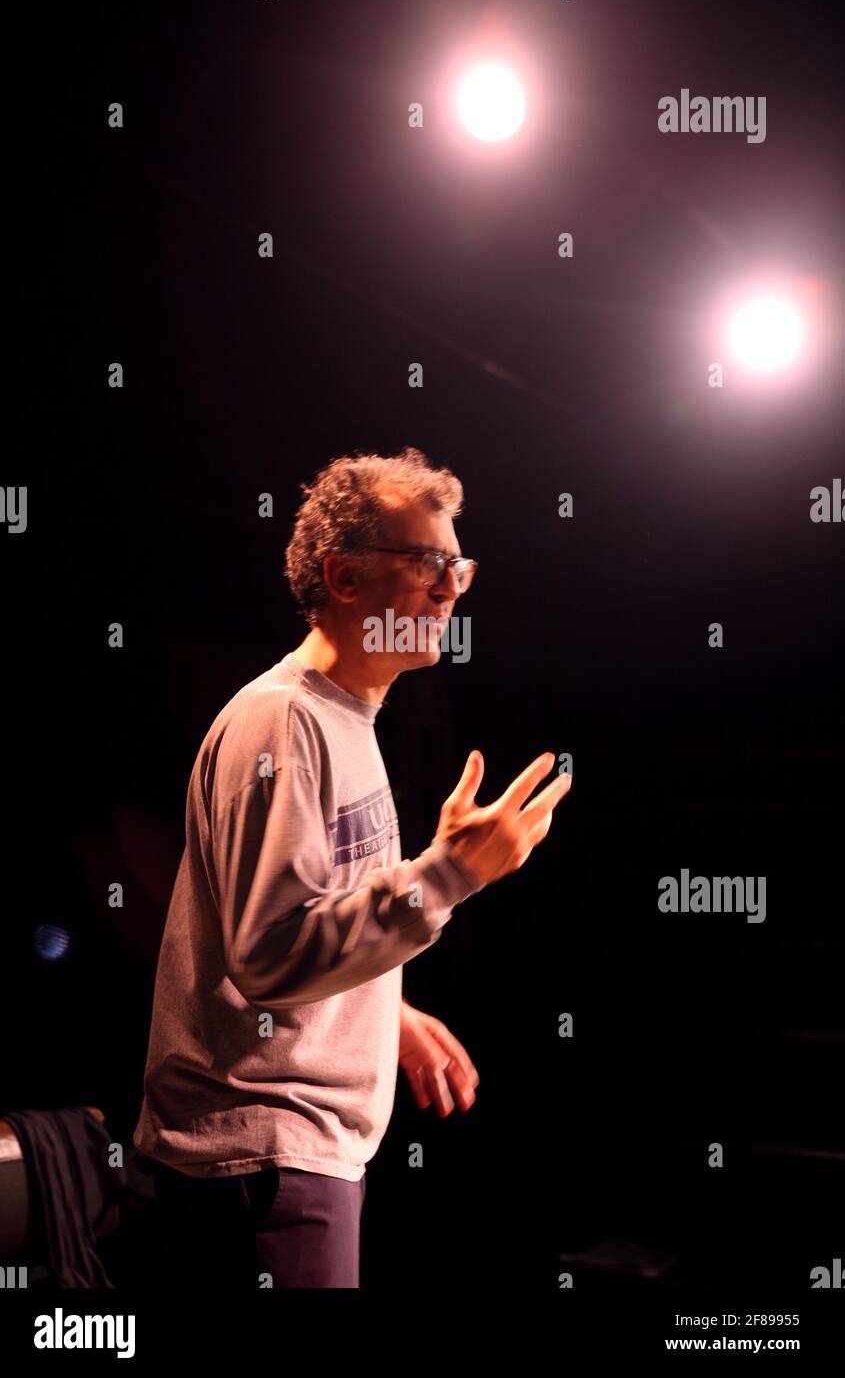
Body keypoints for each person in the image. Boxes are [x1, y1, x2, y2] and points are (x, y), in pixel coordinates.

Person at [132, 446, 572, 1288]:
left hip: (291, 1161)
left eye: (459, 566)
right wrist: (448, 874)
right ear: (343, 579)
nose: (451, 588)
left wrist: (383, 1009)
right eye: (428, 563)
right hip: (259, 1161)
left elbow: (303, 923)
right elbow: (268, 955)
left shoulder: (343, 720)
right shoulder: (284, 725)